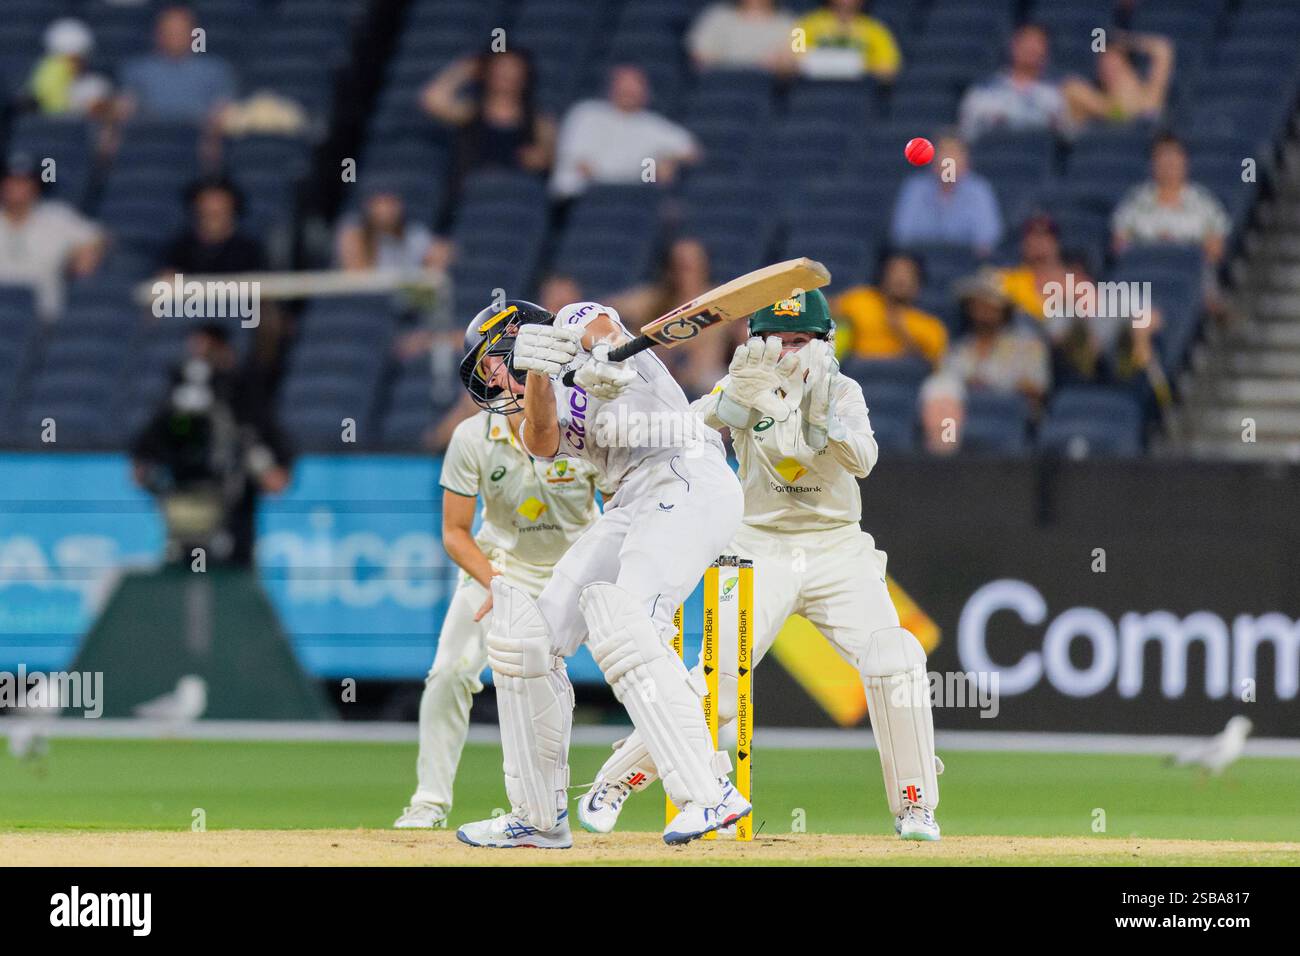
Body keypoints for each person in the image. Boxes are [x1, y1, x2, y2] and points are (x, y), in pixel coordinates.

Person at [575, 290, 944, 841]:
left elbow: (862, 460)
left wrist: (824, 423)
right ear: (757, 343)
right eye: (779, 340)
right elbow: (683, 434)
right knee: (715, 689)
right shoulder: (744, 383)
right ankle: (617, 780)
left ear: (824, 343)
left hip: (836, 547)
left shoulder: (844, 390)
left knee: (895, 656)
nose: (790, 351)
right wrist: (729, 408)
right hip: (757, 548)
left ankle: (915, 804)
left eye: (801, 340)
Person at [453, 292, 755, 848]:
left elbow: (599, 329)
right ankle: (538, 818)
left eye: (491, 367)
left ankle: (710, 793)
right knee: (529, 640)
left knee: (625, 621)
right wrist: (546, 375)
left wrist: (597, 355)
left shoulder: (570, 319)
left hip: (687, 474)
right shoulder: (533, 407)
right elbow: (542, 440)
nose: (494, 384)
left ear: (513, 337)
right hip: (631, 500)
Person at [393, 304, 602, 828]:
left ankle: (690, 788)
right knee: (448, 673)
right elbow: (455, 533)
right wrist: (497, 583)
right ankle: (429, 802)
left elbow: (621, 508)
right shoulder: (470, 438)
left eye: (501, 360)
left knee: (640, 669)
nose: (494, 373)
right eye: (489, 364)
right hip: (500, 566)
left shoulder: (585, 423)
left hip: (580, 564)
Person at [130, 323, 291, 567]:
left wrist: (276, 465)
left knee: (233, 559)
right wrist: (143, 459)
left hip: (232, 494)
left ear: (223, 349)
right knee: (186, 554)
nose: (199, 355)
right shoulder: (179, 391)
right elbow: (159, 430)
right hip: (185, 487)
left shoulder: (239, 389)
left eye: (206, 348)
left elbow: (258, 432)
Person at [1112, 132, 1231, 315]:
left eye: (1173, 157)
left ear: (1184, 161)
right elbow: (1120, 245)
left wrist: (1176, 254)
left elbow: (1216, 249)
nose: (1168, 164)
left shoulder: (1204, 203)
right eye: (1162, 157)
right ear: (1152, 163)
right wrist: (1156, 251)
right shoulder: (1135, 202)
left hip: (1188, 276)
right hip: (1145, 273)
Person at [611, 237, 739, 396]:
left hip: (704, 388)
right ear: (669, 269)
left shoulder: (720, 300)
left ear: (705, 266)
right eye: (680, 265)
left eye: (693, 264)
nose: (687, 271)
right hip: (653, 384)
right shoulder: (654, 298)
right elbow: (609, 308)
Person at [550, 65, 699, 200]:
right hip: (576, 200)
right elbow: (582, 166)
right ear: (611, 88)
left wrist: (664, 159)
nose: (628, 91)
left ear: (646, 92)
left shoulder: (653, 125)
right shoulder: (585, 113)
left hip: (627, 204)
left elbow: (691, 151)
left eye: (635, 86)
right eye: (623, 85)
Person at [422, 49, 555, 198]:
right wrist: (465, 70)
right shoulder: (470, 112)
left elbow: (551, 159)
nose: (506, 75)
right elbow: (432, 100)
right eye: (500, 68)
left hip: (515, 198)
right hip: (471, 196)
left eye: (513, 69)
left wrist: (542, 159)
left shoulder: (539, 122)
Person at [0, 156, 105, 321]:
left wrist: (85, 253)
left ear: (35, 187)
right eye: (11, 182)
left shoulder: (56, 216)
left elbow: (96, 236)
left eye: (24, 182)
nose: (17, 188)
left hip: (42, 313)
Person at [941, 268, 1051, 410]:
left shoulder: (1029, 345)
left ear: (1005, 309)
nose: (984, 309)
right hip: (966, 415)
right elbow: (947, 384)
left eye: (991, 302)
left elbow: (1037, 388)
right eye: (979, 303)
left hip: (1010, 416)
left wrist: (995, 386)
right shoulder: (959, 347)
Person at [117, 5, 237, 124]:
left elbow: (224, 110)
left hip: (199, 136)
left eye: (181, 31)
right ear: (157, 34)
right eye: (169, 30)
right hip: (150, 137)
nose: (175, 36)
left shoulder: (216, 70)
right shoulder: (136, 69)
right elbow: (126, 109)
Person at [890, 132, 1003, 255]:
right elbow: (901, 236)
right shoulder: (915, 188)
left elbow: (988, 240)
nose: (948, 159)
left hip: (966, 265)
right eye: (943, 152)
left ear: (966, 160)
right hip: (921, 263)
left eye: (954, 153)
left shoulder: (980, 190)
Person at [832, 251, 948, 367]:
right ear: (882, 276)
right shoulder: (859, 300)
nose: (900, 278)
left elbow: (932, 370)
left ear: (919, 282)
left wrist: (902, 333)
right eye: (894, 271)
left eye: (908, 273)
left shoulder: (932, 326)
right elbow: (823, 310)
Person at [958, 23, 1066, 142]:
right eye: (1026, 42)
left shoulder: (1056, 93)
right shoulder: (984, 91)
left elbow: (1066, 134)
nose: (1031, 48)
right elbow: (967, 133)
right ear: (1013, 46)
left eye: (1038, 43)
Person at [1062, 33, 1174, 129]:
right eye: (1104, 68)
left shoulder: (1150, 96)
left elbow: (1162, 48)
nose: (1108, 72)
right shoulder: (1096, 101)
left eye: (1114, 66)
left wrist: (1122, 39)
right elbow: (1116, 113)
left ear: (1128, 67)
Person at [160, 177, 265, 275]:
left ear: (233, 211)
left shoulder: (250, 252)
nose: (213, 217)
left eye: (219, 212)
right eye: (207, 212)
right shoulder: (179, 251)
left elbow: (265, 286)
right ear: (195, 211)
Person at [335, 184, 440, 271]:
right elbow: (357, 279)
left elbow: (434, 264)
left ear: (400, 206)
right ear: (369, 207)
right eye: (380, 204)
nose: (386, 210)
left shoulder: (416, 235)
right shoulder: (356, 236)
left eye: (391, 203)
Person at [795, 0, 901, 81]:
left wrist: (860, 66)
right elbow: (792, 57)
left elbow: (889, 68)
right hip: (815, 93)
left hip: (858, 95)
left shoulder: (877, 30)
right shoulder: (804, 25)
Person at [27, 18, 113, 118]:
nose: (76, 63)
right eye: (71, 58)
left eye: (79, 57)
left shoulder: (95, 84)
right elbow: (53, 108)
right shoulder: (46, 74)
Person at [688, 0, 798, 73]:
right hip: (720, 86)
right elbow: (699, 55)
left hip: (770, 91)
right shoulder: (716, 16)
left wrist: (782, 65)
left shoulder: (794, 23)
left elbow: (798, 62)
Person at [995, 214, 1068, 323]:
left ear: (1056, 243)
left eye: (1045, 235)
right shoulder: (1006, 280)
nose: (1038, 241)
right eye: (1033, 235)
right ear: (1023, 243)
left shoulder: (1075, 282)